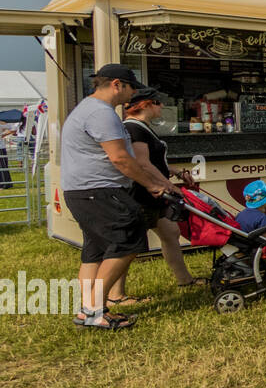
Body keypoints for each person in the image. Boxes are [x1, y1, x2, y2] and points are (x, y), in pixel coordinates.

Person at [62, 65, 180, 330]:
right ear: (117, 84)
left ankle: (88, 310)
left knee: (95, 250)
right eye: (131, 87)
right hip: (98, 190)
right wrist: (151, 184)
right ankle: (94, 310)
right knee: (128, 240)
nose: (134, 92)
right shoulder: (100, 113)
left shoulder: (88, 108)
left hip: (82, 190)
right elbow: (119, 158)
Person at [109, 88, 201, 302]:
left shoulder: (142, 128)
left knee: (170, 233)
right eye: (159, 103)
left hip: (151, 193)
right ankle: (115, 294)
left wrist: (176, 171)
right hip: (140, 193)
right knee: (129, 245)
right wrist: (169, 185)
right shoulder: (133, 128)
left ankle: (184, 279)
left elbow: (154, 161)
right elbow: (142, 163)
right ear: (147, 105)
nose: (162, 107)